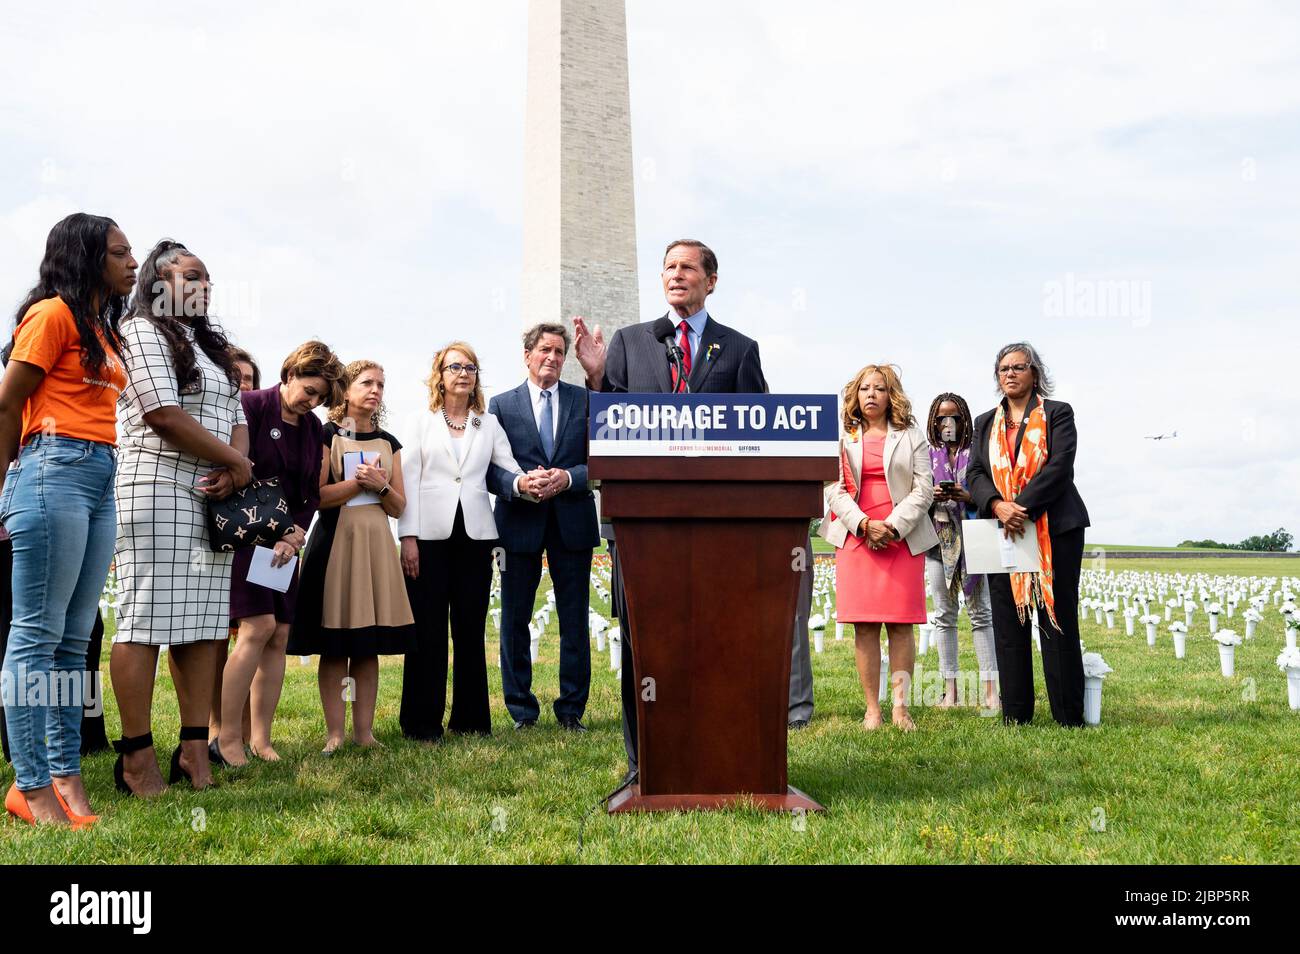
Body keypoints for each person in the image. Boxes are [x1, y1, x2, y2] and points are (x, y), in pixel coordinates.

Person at [571, 239, 806, 781]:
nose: (676, 275)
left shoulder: (739, 349)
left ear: (711, 281)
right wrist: (598, 380)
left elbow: (762, 435)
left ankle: (726, 756)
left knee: (721, 641)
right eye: (669, 268)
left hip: (725, 529)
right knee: (647, 647)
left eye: (688, 268)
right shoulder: (630, 343)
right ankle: (646, 763)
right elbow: (608, 431)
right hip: (643, 526)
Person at [0, 213, 135, 827]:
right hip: (51, 468)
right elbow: (7, 403)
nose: (132, 263)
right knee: (35, 634)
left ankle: (65, 778)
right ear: (86, 257)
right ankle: (29, 787)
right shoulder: (51, 315)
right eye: (120, 253)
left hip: (100, 473)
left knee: (74, 642)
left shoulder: (100, 327)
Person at [110, 240, 252, 795]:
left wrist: (236, 466)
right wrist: (234, 462)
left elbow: (237, 418)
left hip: (212, 497)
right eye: (191, 276)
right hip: (156, 488)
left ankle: (194, 751)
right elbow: (162, 414)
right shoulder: (140, 330)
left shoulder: (213, 349)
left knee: (204, 627)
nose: (203, 285)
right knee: (144, 622)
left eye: (207, 277)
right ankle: (136, 758)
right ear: (158, 283)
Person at [211, 341, 343, 766]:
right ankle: (225, 738)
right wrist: (279, 529)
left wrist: (294, 534)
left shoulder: (313, 428)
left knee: (280, 633)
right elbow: (237, 469)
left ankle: (261, 740)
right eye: (309, 391)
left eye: (320, 397)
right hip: (245, 535)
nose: (313, 402)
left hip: (285, 545)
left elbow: (310, 492)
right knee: (256, 627)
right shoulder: (250, 406)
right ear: (289, 375)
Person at [397, 342, 526, 741]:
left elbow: (509, 468)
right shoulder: (419, 422)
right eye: (455, 367)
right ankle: (422, 722)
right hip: (428, 539)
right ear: (440, 375)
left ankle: (471, 720)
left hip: (476, 539)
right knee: (428, 630)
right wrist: (407, 537)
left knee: (470, 630)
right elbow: (407, 480)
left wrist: (529, 483)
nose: (464, 373)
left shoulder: (487, 423)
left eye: (470, 368)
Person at [288, 360, 414, 753]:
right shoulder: (326, 434)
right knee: (335, 643)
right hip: (336, 543)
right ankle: (335, 734)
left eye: (381, 384)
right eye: (367, 383)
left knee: (366, 643)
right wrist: (358, 483)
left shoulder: (389, 443)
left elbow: (399, 507)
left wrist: (381, 486)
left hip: (376, 546)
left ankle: (364, 733)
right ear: (346, 389)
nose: (375, 390)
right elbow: (316, 496)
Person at [967, 343, 1090, 727]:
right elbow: (974, 473)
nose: (1010, 373)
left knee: (1057, 619)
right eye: (1003, 368)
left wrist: (1020, 507)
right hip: (1001, 531)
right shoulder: (984, 422)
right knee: (1008, 623)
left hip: (1055, 528)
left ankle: (1068, 714)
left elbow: (1059, 466)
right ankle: (1016, 713)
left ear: (1034, 373)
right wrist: (997, 505)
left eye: (1018, 367)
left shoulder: (1057, 413)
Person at [486, 323, 599, 732]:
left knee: (574, 619)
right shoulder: (500, 406)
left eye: (559, 352)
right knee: (515, 618)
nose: (552, 357)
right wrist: (519, 485)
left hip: (572, 521)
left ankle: (571, 710)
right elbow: (489, 469)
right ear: (527, 355)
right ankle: (521, 710)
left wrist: (568, 478)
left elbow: (601, 460)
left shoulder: (585, 401)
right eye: (545, 350)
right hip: (519, 523)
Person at [819, 365, 937, 731]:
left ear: (891, 396)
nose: (871, 394)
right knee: (865, 627)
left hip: (901, 538)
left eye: (879, 388)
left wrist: (892, 526)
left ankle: (901, 709)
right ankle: (873, 709)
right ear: (855, 395)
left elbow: (924, 489)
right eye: (864, 388)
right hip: (856, 538)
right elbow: (833, 488)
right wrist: (864, 525)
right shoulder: (844, 437)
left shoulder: (911, 436)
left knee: (901, 626)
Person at [924, 392, 998, 711]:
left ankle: (991, 692)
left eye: (953, 416)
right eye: (941, 417)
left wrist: (967, 496)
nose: (948, 423)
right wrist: (933, 496)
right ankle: (950, 691)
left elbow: (992, 491)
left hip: (975, 538)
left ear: (964, 419)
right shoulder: (926, 455)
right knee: (944, 615)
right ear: (933, 421)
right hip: (938, 540)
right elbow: (915, 495)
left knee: (981, 613)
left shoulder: (979, 452)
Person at [208, 345, 259, 745]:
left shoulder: (259, 424)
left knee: (251, 632)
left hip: (254, 536)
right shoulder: (210, 418)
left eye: (250, 380)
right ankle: (215, 727)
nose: (243, 386)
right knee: (215, 636)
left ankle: (242, 729)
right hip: (213, 531)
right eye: (236, 378)